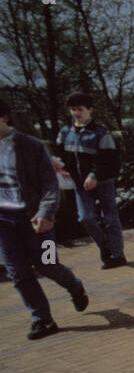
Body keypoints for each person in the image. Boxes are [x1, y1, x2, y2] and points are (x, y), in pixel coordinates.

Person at [0, 98, 89, 339]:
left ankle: (74, 285)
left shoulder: (31, 145)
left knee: (48, 263)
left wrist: (45, 213)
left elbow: (50, 184)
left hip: (37, 218)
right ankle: (43, 319)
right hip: (4, 223)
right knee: (17, 271)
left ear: (5, 117)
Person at [55, 93, 126, 268]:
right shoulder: (65, 132)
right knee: (85, 217)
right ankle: (105, 246)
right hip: (80, 184)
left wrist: (94, 175)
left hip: (103, 182)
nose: (76, 113)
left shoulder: (100, 133)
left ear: (90, 110)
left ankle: (117, 255)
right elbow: (60, 154)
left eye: (80, 109)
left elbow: (108, 159)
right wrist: (58, 164)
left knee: (110, 218)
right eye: (73, 109)